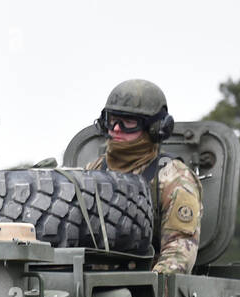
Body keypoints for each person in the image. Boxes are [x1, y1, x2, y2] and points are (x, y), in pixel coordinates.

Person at [85, 79, 202, 274]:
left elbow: (179, 250)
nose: (116, 129)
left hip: (142, 284)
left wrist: (150, 286)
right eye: (112, 120)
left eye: (128, 123)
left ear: (154, 128)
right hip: (89, 283)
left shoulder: (174, 179)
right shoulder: (93, 171)